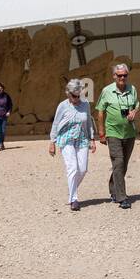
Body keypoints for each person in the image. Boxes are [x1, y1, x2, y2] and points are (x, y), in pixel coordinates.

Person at [94, 63, 139, 209]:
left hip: (129, 133)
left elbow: (136, 105)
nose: (122, 78)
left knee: (122, 165)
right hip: (113, 133)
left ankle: (114, 190)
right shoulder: (107, 91)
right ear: (114, 76)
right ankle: (122, 197)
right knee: (118, 162)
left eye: (125, 75)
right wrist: (101, 133)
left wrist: (134, 112)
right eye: (119, 75)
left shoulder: (132, 89)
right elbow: (100, 112)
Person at [48, 80, 96, 210]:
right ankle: (74, 199)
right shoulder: (62, 106)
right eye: (73, 95)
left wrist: (92, 138)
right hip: (66, 138)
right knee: (73, 168)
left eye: (78, 95)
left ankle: (71, 190)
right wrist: (52, 142)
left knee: (83, 169)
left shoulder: (85, 104)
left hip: (82, 138)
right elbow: (56, 124)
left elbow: (89, 122)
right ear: (68, 93)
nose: (76, 98)